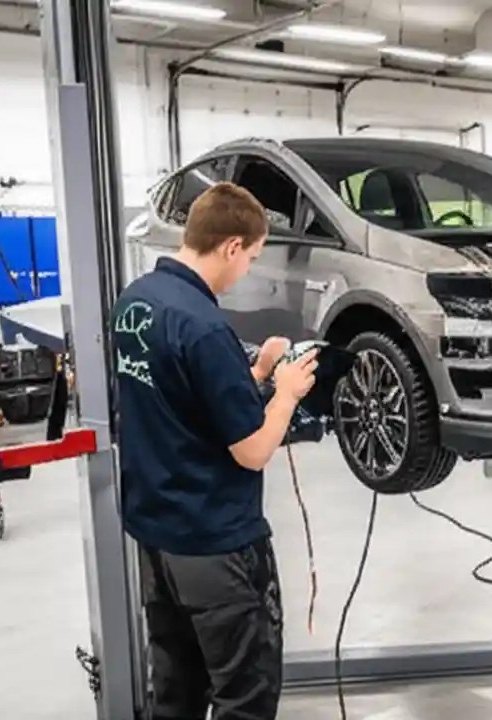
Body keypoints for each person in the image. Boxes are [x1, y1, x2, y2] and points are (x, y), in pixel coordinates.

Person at [111, 182, 318, 720]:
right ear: (230, 246)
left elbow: (183, 396)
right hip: (213, 543)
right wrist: (288, 393)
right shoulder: (204, 326)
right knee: (242, 695)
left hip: (158, 540)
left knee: (177, 688)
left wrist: (256, 374)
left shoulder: (136, 303)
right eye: (250, 256)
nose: (247, 268)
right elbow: (252, 450)